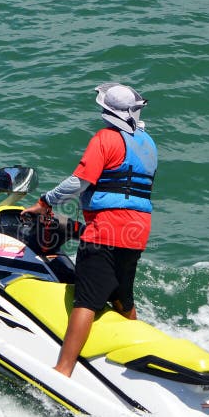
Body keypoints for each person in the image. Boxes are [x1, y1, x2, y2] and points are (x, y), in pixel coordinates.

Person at [21, 83, 157, 377]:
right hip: (137, 232)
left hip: (106, 230)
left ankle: (63, 369)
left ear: (108, 112)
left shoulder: (105, 139)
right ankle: (139, 359)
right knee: (123, 297)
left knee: (87, 300)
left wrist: (45, 202)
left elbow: (78, 182)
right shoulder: (148, 143)